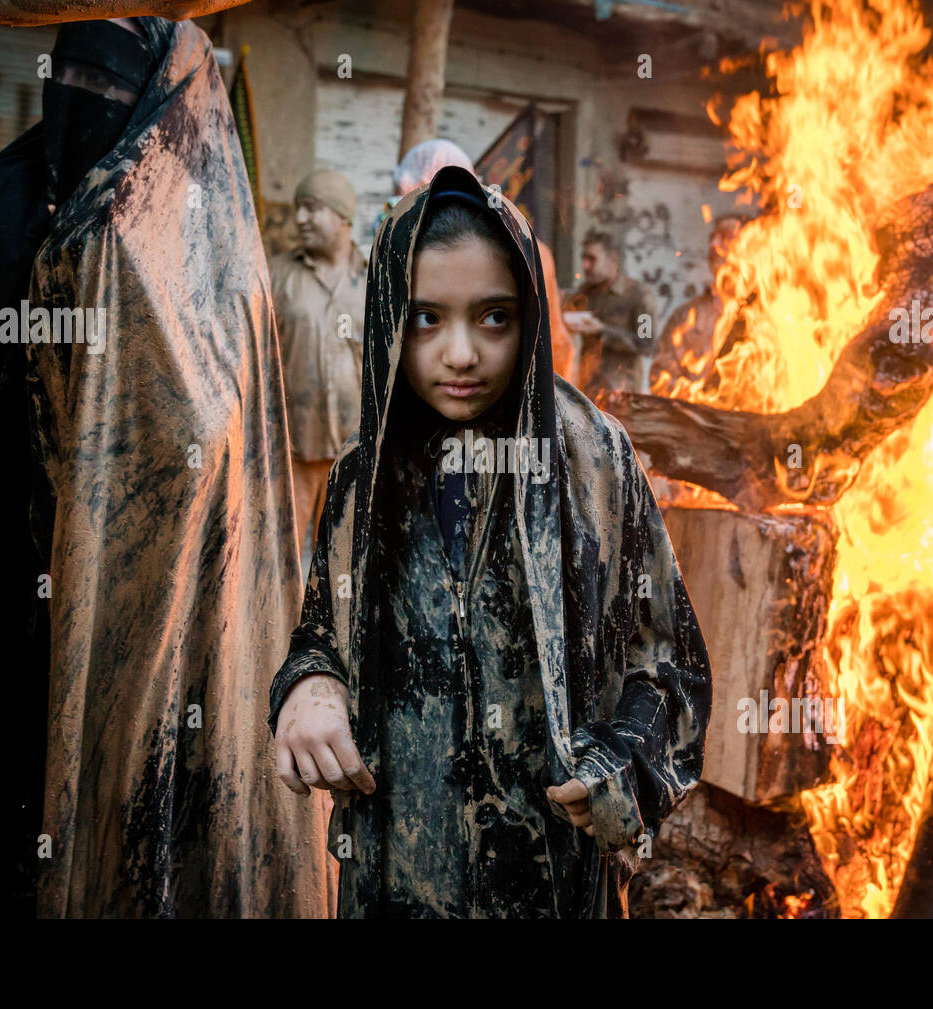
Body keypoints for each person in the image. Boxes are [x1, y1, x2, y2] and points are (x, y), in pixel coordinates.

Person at [0, 16, 331, 918]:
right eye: (69, 79)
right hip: (7, 581)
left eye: (108, 89)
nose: (84, 107)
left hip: (170, 607)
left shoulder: (206, 247)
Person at [268, 165, 711, 918]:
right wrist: (308, 685)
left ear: (530, 316)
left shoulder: (593, 461)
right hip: (397, 874)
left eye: (494, 317)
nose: (462, 353)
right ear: (387, 321)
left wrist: (624, 759)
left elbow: (667, 660)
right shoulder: (361, 476)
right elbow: (322, 630)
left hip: (549, 879)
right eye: (427, 318)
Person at [387, 137, 576, 383]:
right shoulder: (402, 251)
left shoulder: (526, 250)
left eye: (496, 317)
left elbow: (553, 345)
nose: (460, 357)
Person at [271, 169, 366, 572]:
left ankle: (334, 637)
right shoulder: (276, 275)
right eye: (297, 209)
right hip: (289, 450)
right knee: (280, 564)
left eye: (312, 209)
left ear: (343, 217)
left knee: (342, 565)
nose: (301, 220)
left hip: (355, 451)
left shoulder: (376, 277)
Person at [650, 213, 747, 395]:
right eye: (712, 238)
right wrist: (693, 394)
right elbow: (659, 376)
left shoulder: (772, 315)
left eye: (725, 237)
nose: (713, 245)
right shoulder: (686, 316)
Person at [563, 229, 658, 399]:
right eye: (583, 258)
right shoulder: (585, 292)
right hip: (587, 392)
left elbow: (647, 344)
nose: (585, 266)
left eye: (592, 259)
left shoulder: (640, 295)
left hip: (622, 395)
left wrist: (602, 331)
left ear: (613, 260)